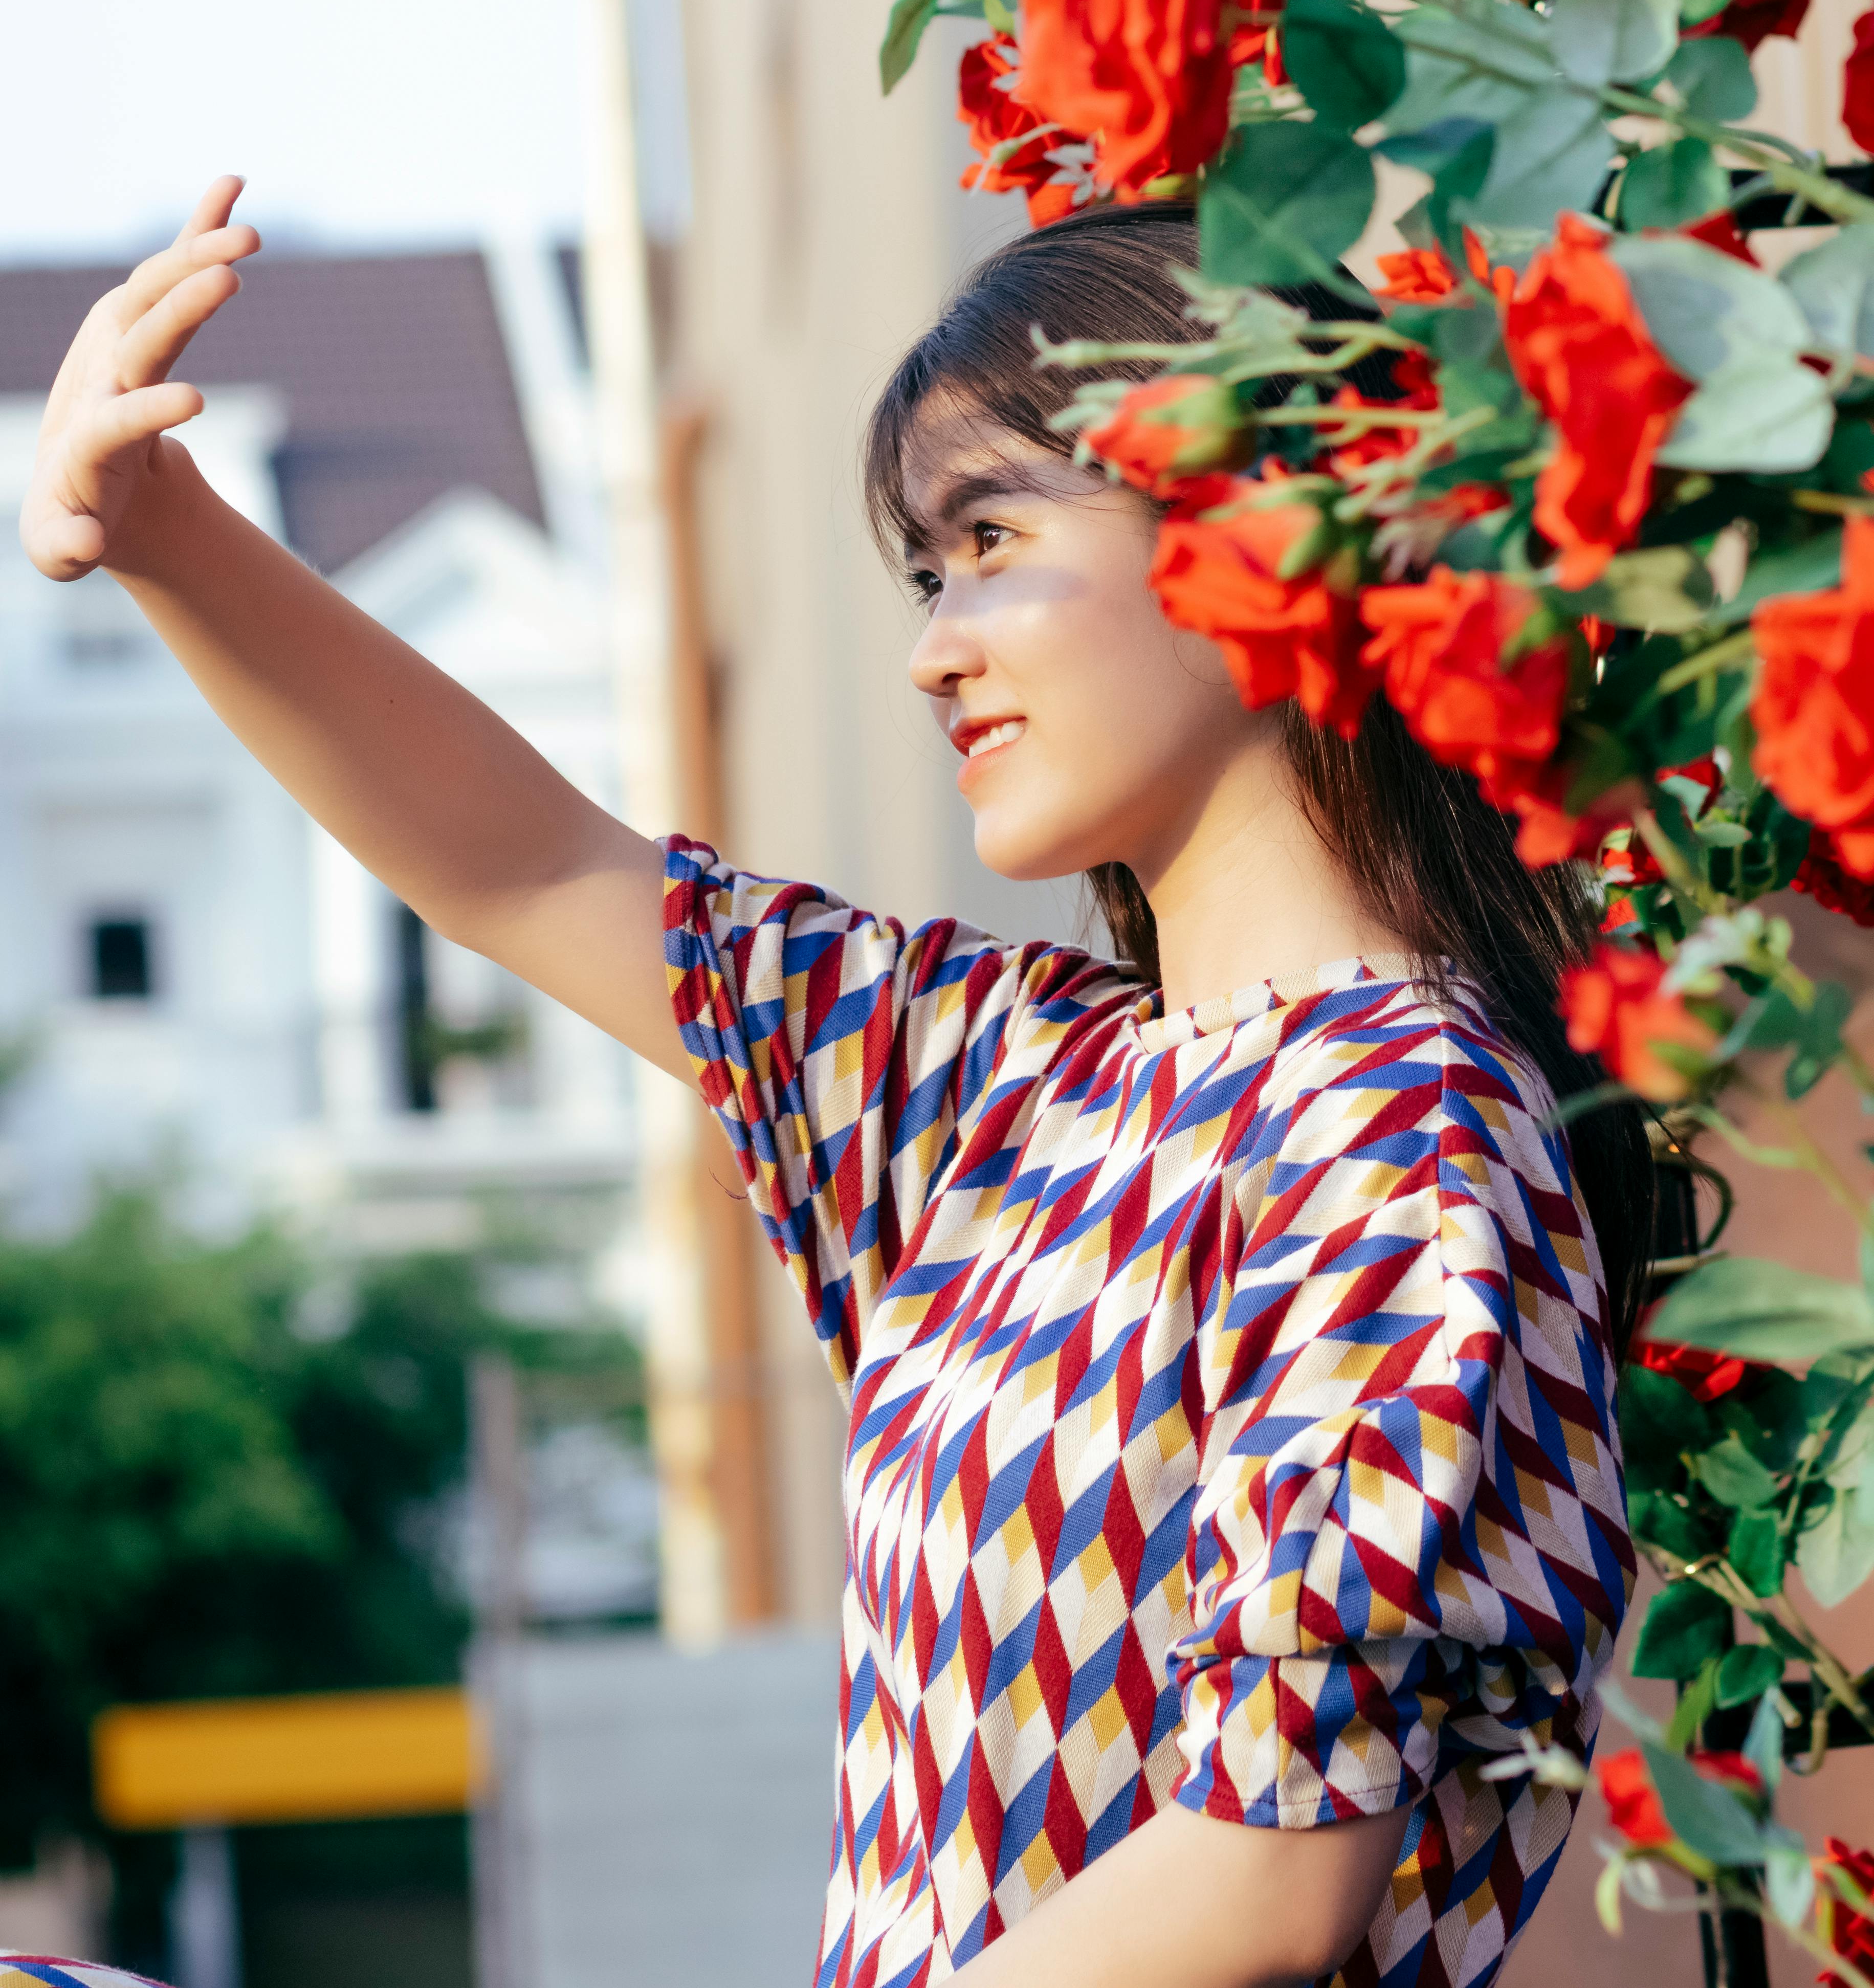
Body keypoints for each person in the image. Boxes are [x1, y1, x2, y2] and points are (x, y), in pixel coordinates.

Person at [23, 180, 1649, 1988]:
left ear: (1256, 531)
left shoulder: (1407, 1123)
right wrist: (169, 533)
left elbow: (1260, 1884)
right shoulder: (1022, 1088)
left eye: (994, 534)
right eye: (926, 570)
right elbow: (530, 868)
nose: (932, 647)